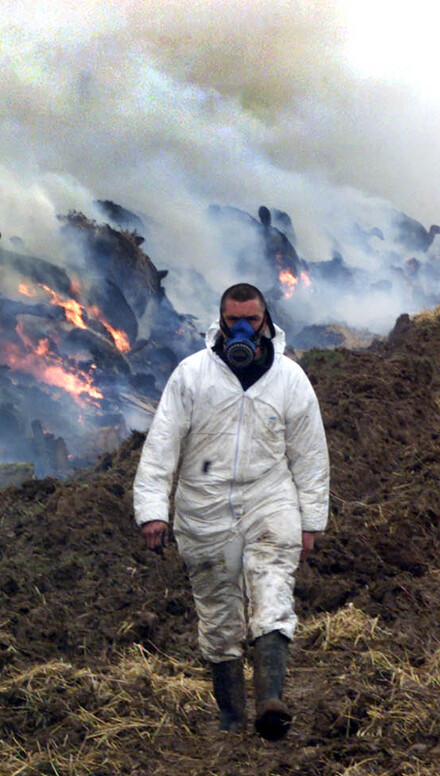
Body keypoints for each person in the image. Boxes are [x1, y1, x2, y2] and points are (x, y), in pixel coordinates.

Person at [133, 282, 330, 737]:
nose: (241, 329)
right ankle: (230, 719)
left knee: (272, 592)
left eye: (252, 321)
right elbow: (162, 445)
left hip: (270, 498)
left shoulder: (289, 379)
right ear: (219, 321)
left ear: (267, 321)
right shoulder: (192, 375)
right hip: (203, 505)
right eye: (232, 320)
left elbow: (310, 454)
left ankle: (270, 703)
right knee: (220, 618)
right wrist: (152, 511)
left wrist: (311, 520)